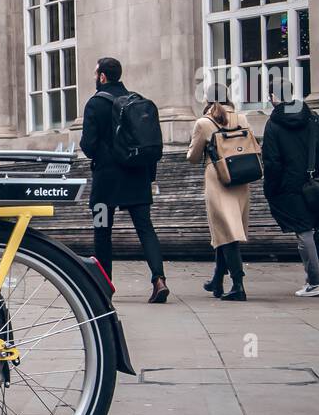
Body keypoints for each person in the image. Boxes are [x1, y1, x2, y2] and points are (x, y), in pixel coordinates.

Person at [78, 56, 169, 303]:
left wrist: (103, 156)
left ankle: (105, 286)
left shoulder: (94, 104)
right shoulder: (136, 100)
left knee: (101, 229)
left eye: (96, 74)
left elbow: (87, 145)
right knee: (145, 228)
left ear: (102, 77)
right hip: (136, 176)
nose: (95, 78)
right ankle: (158, 279)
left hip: (105, 182)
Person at [262, 95, 319, 297]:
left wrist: (271, 188)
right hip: (316, 183)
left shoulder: (274, 124)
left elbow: (272, 162)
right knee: (307, 229)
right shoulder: (315, 118)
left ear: (274, 98)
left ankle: (315, 281)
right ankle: (311, 280)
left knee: (303, 231)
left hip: (289, 186)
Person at [187, 99, 253, 301]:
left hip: (217, 176)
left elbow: (193, 156)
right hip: (241, 175)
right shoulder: (242, 118)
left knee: (226, 231)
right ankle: (217, 279)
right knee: (225, 230)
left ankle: (238, 284)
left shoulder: (203, 123)